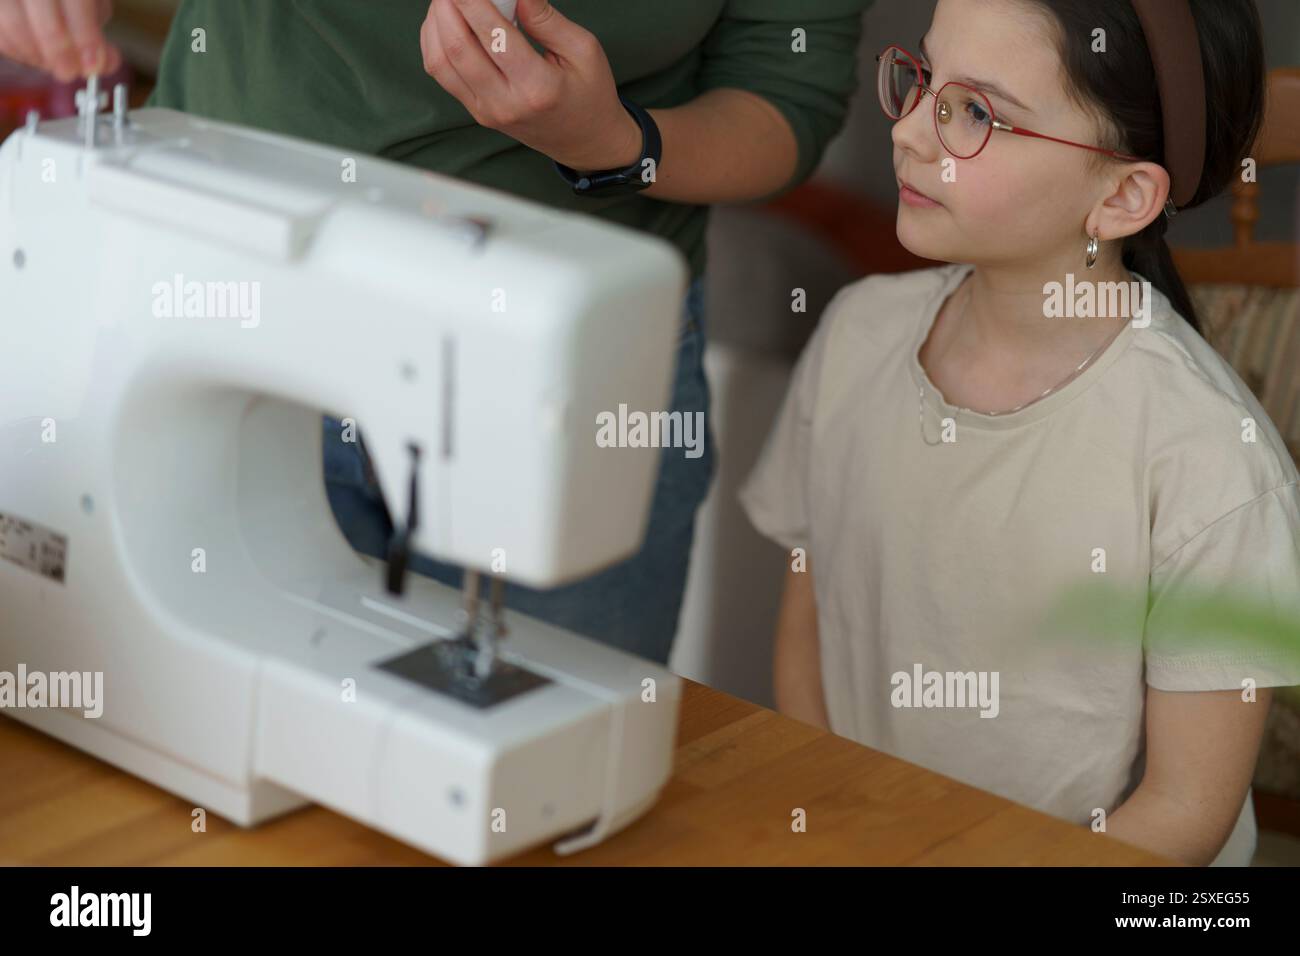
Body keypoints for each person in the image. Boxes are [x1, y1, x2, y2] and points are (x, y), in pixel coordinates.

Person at [0, 0, 872, 665]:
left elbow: (784, 94)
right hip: (224, 279)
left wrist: (612, 142)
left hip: (564, 352)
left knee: (543, 736)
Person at [740, 0, 1300, 866]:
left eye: (979, 114)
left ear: (1122, 196)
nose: (911, 135)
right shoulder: (857, 334)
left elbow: (1187, 813)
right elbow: (807, 619)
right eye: (923, 80)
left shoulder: (1209, 464)